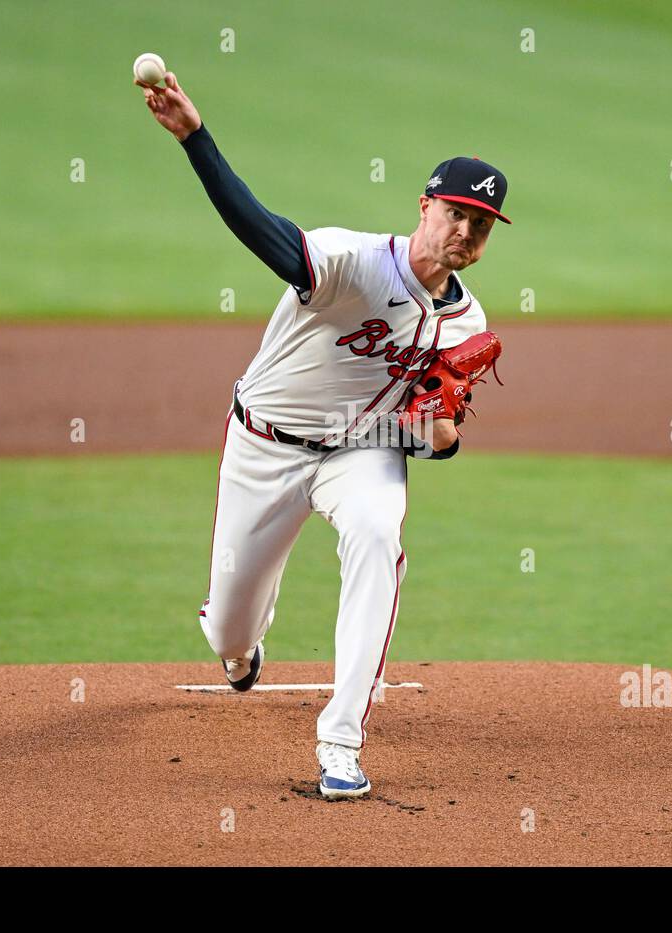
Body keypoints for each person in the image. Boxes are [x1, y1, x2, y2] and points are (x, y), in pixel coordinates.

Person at [138, 69, 510, 799]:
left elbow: (438, 437)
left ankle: (341, 743)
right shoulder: (349, 262)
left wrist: (438, 434)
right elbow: (262, 231)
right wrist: (194, 139)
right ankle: (242, 651)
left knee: (378, 535)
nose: (464, 231)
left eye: (482, 224)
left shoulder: (469, 323)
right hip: (264, 447)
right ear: (425, 207)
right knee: (228, 631)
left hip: (359, 454)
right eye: (456, 214)